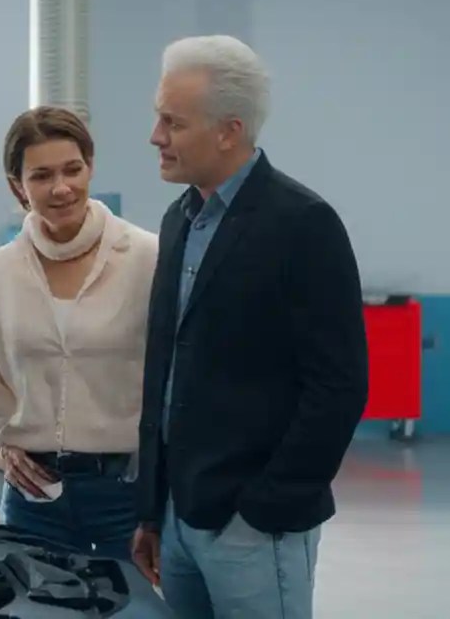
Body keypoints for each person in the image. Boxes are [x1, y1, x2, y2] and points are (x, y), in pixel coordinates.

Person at [129, 36, 369, 618]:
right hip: (178, 517)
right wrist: (151, 508)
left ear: (229, 131)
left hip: (254, 527)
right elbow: (166, 367)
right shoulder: (179, 218)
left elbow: (339, 386)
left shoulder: (303, 225)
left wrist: (268, 507)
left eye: (172, 123)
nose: (155, 137)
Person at [0, 106, 158, 559]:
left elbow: (173, 374)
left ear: (90, 167)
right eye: (42, 175)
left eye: (73, 169)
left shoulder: (147, 257)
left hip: (127, 492)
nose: (61, 188)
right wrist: (0, 446)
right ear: (18, 186)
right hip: (34, 497)